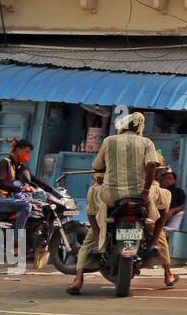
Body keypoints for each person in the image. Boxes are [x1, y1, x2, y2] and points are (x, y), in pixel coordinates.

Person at [67, 112, 159, 295]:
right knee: (154, 220)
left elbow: (97, 165)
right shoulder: (147, 142)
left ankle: (96, 237)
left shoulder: (109, 141)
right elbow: (151, 165)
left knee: (92, 207)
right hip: (139, 196)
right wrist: (147, 190)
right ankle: (154, 244)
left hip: (112, 196)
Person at [0, 140, 38, 254]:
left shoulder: (18, 166)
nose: (28, 155)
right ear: (18, 150)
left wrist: (53, 191)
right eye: (26, 152)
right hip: (0, 199)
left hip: (11, 199)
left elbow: (36, 181)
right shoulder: (5, 162)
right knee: (26, 206)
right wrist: (21, 189)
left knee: (36, 207)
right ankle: (16, 242)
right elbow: (0, 183)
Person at [143, 170, 179, 289]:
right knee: (160, 236)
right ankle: (168, 273)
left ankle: (81, 273)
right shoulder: (158, 190)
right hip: (149, 221)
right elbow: (163, 213)